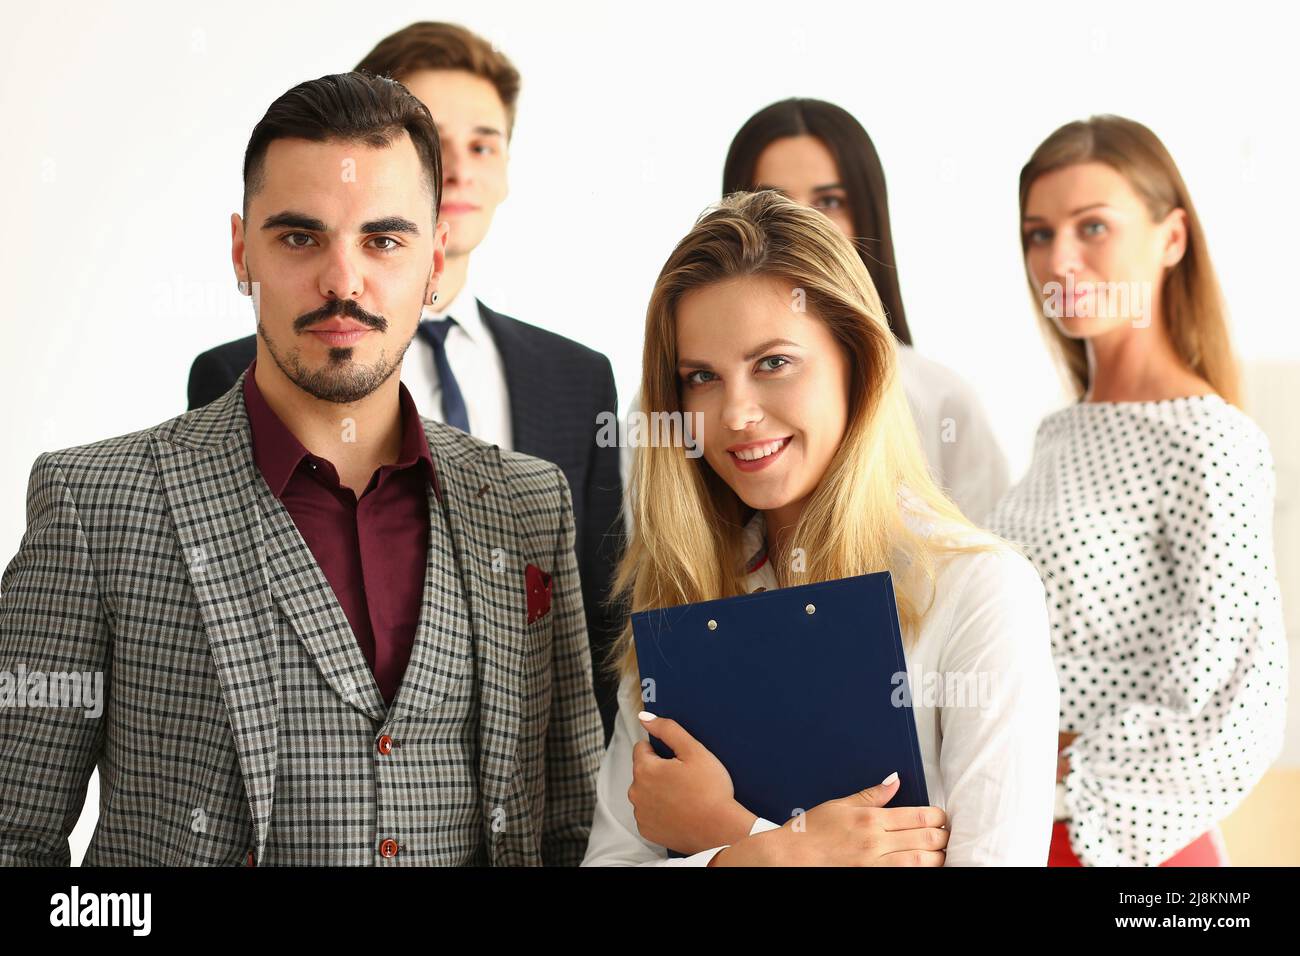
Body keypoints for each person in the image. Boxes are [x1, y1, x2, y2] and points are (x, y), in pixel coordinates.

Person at [0, 72, 603, 866]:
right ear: (240, 250)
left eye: (383, 240)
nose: (342, 281)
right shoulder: (98, 505)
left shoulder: (528, 504)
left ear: (435, 262)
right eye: (299, 237)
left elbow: (573, 835)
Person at [583, 191, 1058, 866]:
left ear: (857, 363)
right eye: (702, 377)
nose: (737, 413)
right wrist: (765, 854)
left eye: (772, 362)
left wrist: (738, 839)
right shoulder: (681, 600)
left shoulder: (981, 590)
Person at [187, 22, 625, 741]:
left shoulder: (577, 378)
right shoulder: (238, 371)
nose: (457, 169)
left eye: (482, 144)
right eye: (431, 139)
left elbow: (597, 624)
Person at [987, 115, 1287, 866]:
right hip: (1018, 828)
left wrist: (1069, 788)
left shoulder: (1210, 442)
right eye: (1038, 234)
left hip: (1119, 846)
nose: (1060, 259)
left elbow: (1238, 703)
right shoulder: (1057, 436)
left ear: (1172, 239)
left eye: (1093, 227)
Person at [620, 98, 1008, 531]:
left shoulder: (944, 401)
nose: (803, 223)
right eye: (774, 200)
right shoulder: (664, 407)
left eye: (829, 201)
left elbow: (971, 557)